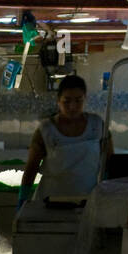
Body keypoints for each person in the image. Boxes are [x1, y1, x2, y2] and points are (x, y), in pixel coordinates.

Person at [19, 74, 105, 207]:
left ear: (85, 99)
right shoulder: (46, 130)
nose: (72, 106)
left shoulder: (97, 126)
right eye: (67, 101)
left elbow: (109, 162)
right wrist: (22, 199)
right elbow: (31, 168)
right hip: (50, 202)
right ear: (58, 100)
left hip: (86, 203)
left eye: (78, 100)